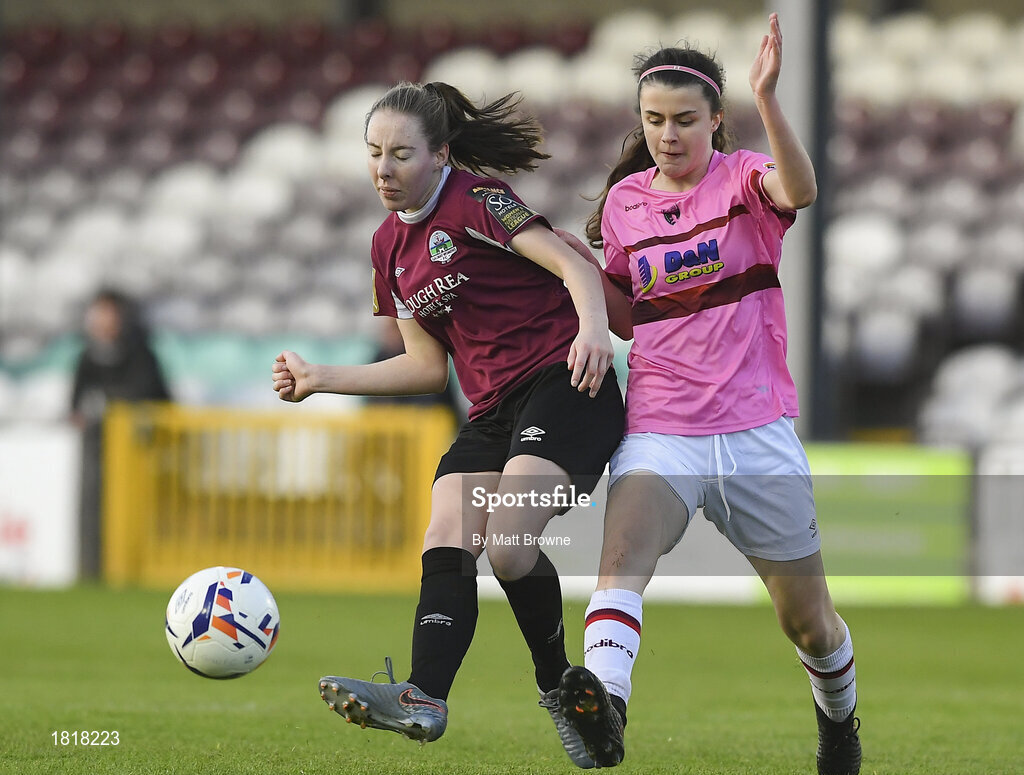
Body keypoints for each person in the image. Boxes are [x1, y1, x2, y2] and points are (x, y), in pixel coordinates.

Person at [271, 80, 624, 766]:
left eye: (401, 153)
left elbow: (569, 265)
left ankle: (559, 687)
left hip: (566, 382)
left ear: (438, 154)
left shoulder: (476, 200)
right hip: (493, 408)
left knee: (510, 544)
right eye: (374, 153)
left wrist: (593, 331)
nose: (383, 168)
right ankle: (425, 695)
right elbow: (426, 366)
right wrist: (322, 379)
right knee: (446, 530)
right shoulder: (385, 248)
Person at [553, 15, 863, 775]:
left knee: (810, 624)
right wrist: (575, 274)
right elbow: (629, 314)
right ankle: (608, 707)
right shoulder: (625, 205)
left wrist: (768, 96)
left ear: (716, 119)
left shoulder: (746, 177)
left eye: (685, 120)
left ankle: (839, 722)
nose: (668, 134)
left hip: (757, 431)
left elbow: (803, 188)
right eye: (654, 120)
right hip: (663, 425)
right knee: (622, 555)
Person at [70, 287, 171, 578]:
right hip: (98, 458)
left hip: (141, 456)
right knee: (96, 516)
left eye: (108, 313)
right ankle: (93, 570)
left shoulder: (142, 355)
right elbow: (75, 406)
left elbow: (158, 398)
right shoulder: (87, 359)